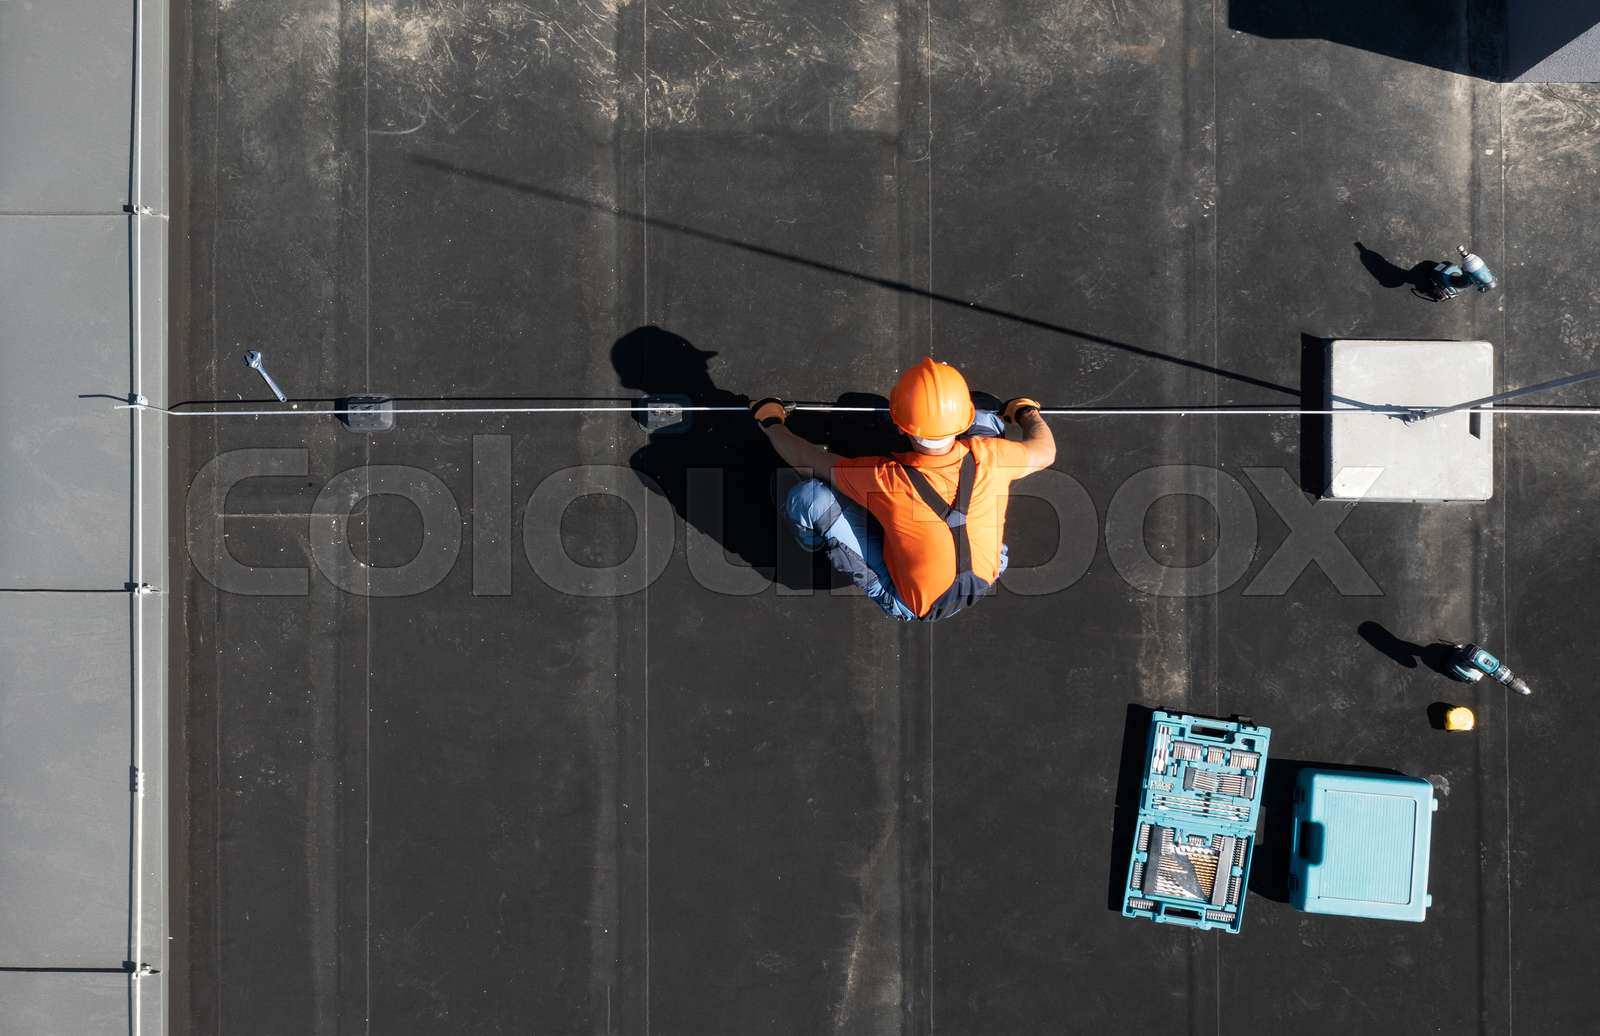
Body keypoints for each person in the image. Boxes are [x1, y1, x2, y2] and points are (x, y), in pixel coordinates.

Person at [751, 357, 1055, 621]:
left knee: (811, 499)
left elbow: (806, 457)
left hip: (911, 602)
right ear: (962, 421)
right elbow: (1045, 451)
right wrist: (1027, 412)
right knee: (988, 416)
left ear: (899, 425)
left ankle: (810, 539)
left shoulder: (883, 477)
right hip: (984, 576)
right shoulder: (993, 455)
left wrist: (771, 422)